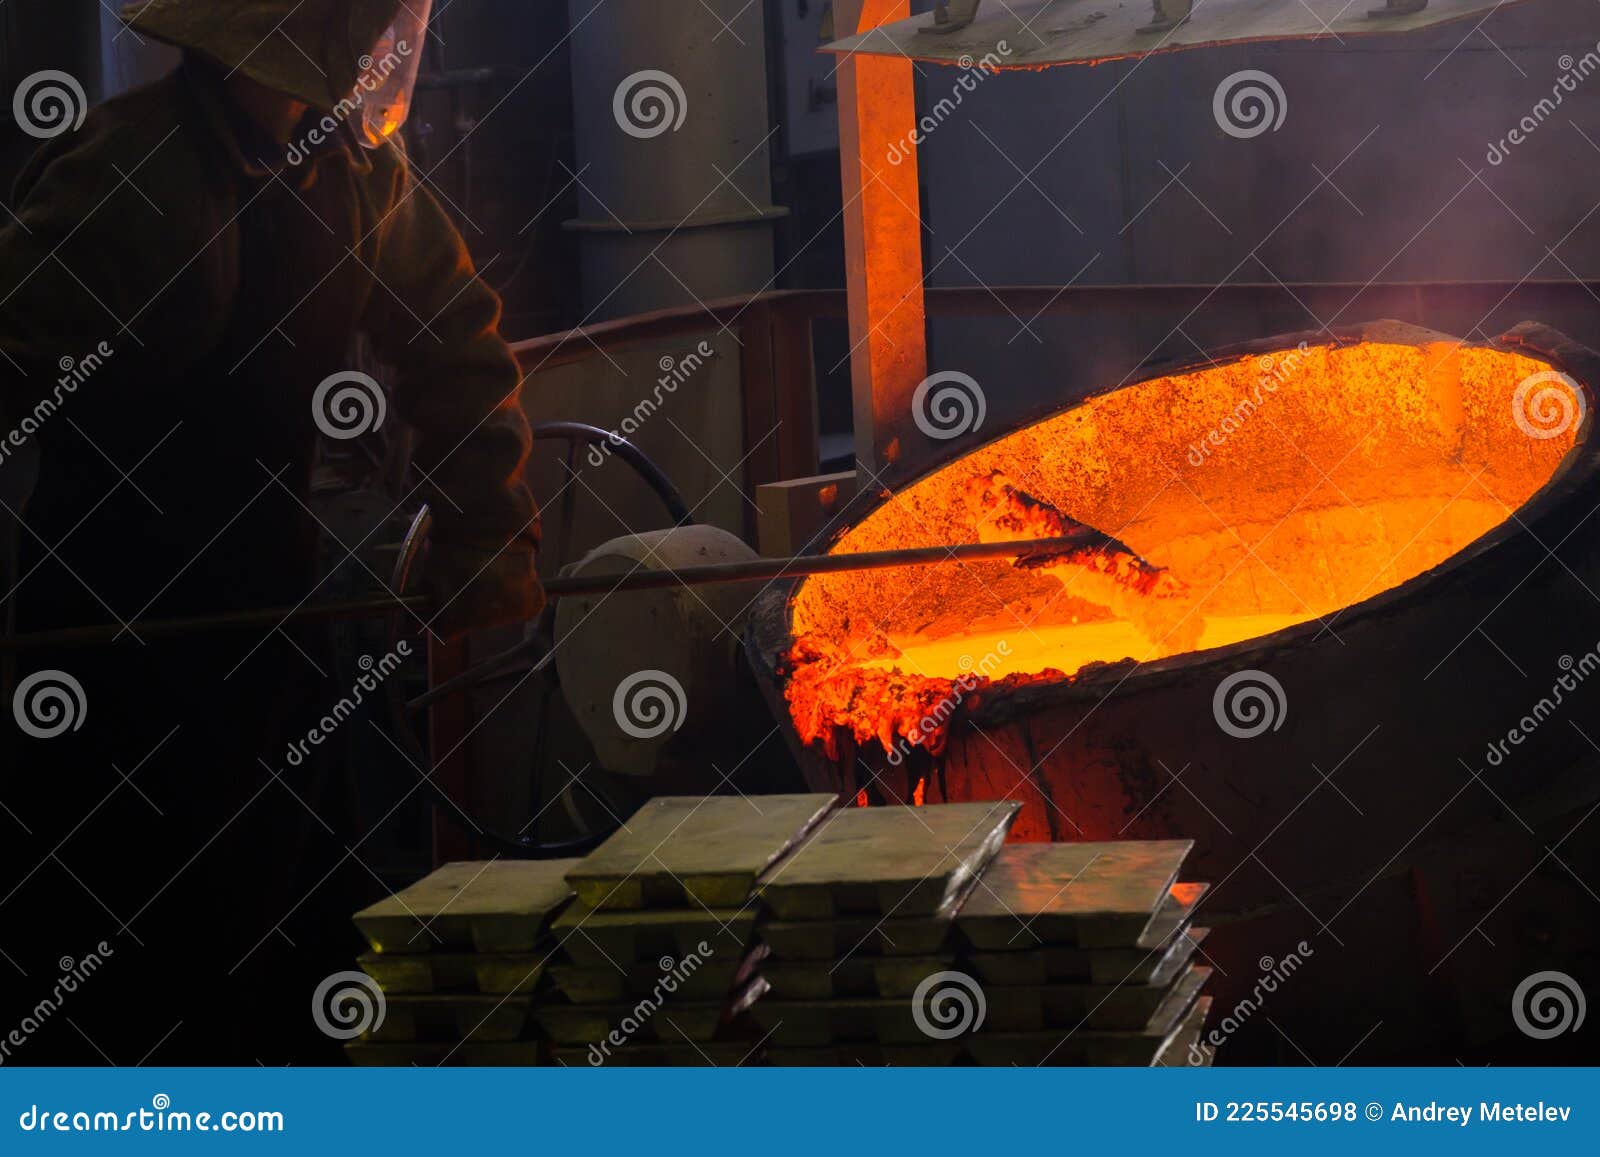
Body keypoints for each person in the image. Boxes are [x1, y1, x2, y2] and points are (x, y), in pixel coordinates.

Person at [0, 0, 543, 1063]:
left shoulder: (351, 172)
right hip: (115, 646)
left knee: (298, 962)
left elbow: (458, 343)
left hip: (270, 628)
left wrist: (487, 526)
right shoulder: (131, 174)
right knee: (128, 984)